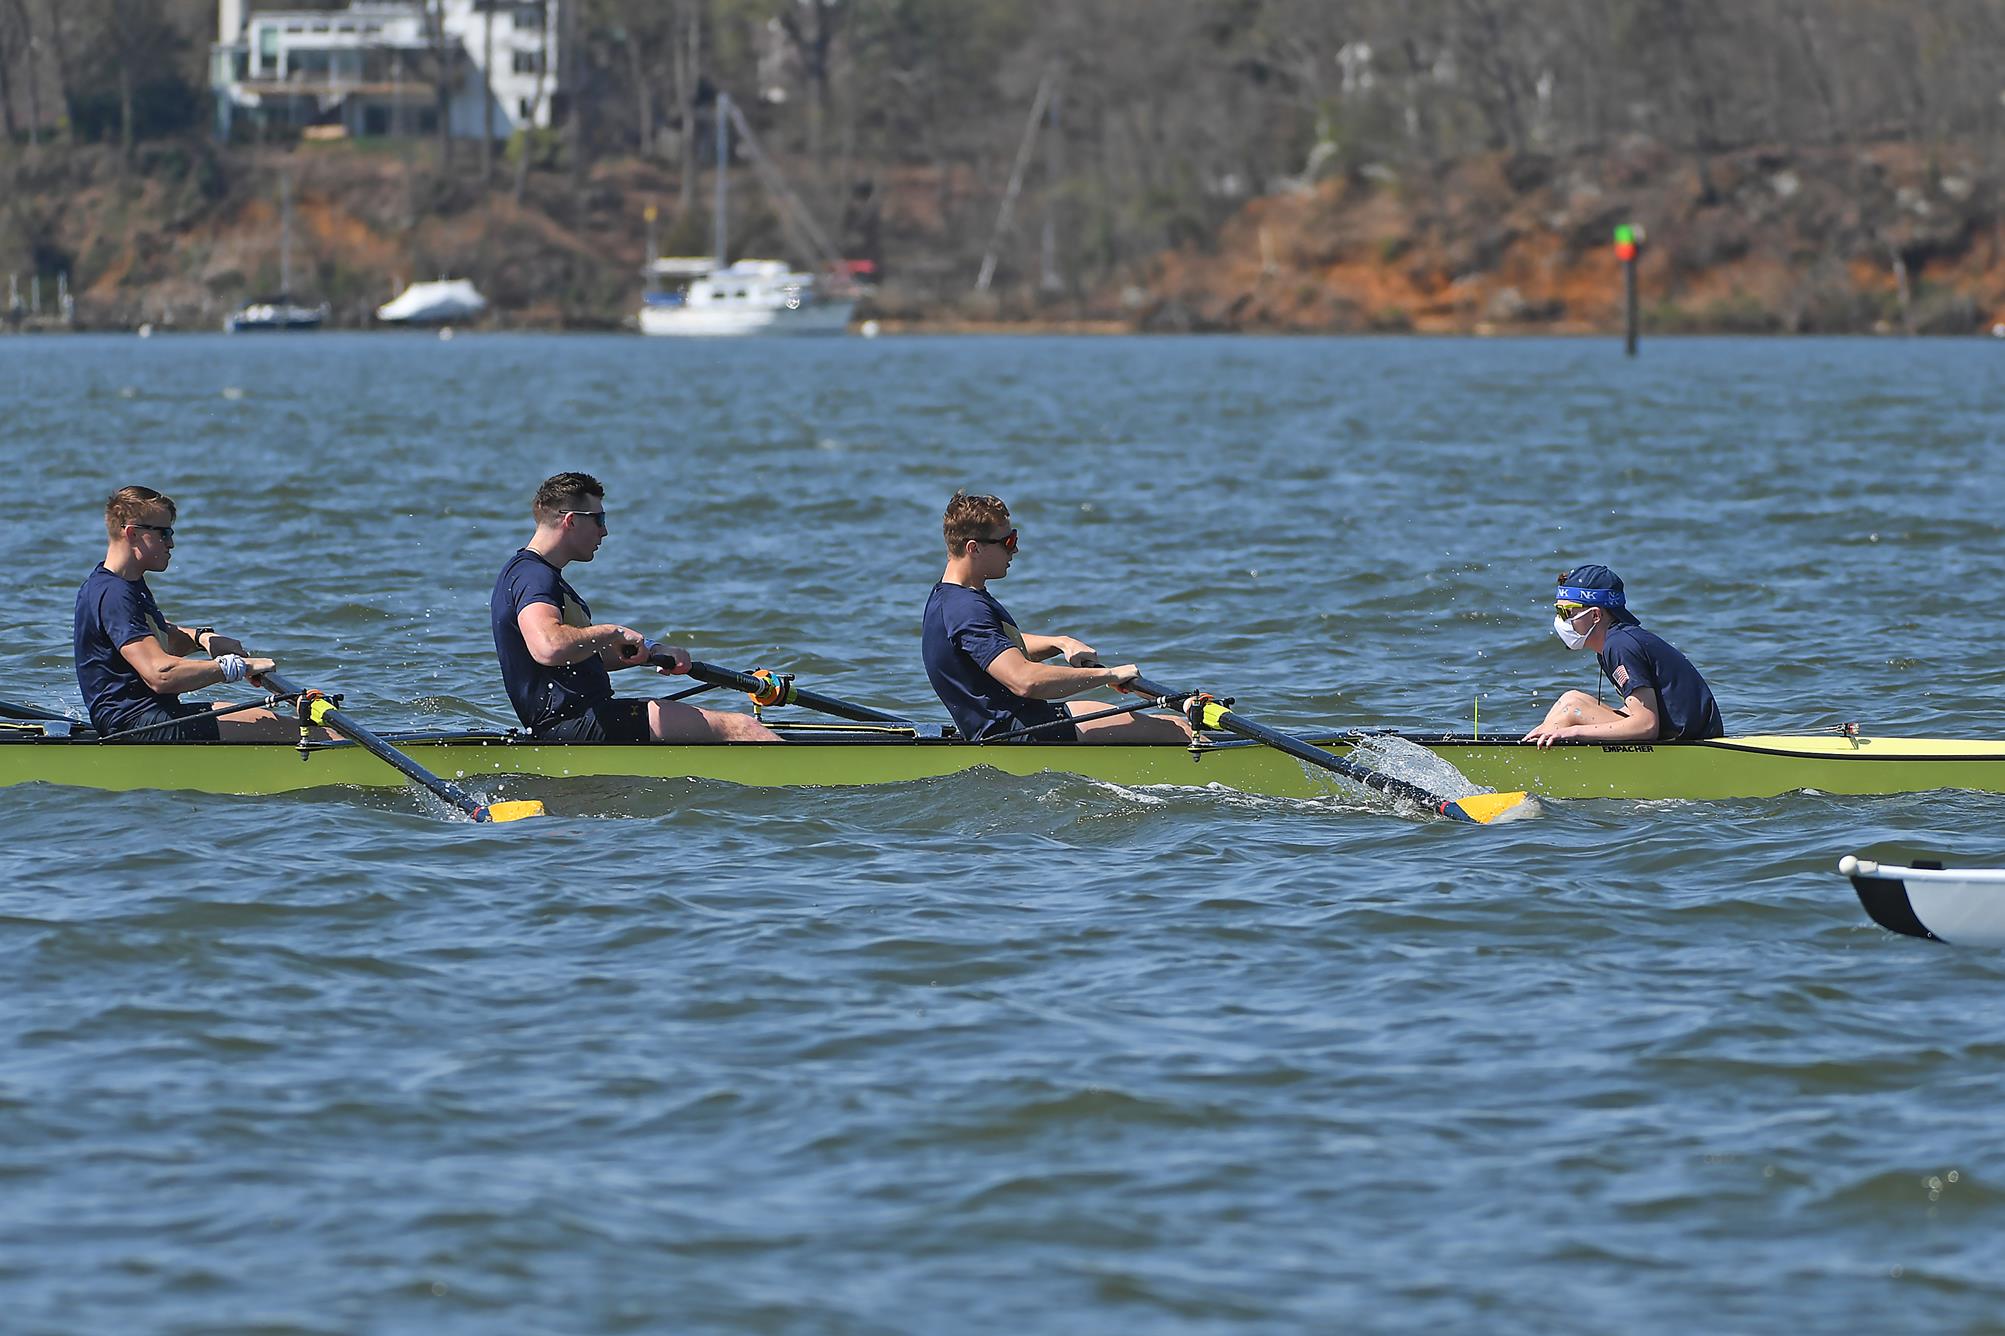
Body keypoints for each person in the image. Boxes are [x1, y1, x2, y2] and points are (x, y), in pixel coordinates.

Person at [491, 472, 778, 743]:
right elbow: (549, 647)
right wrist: (612, 632)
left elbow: (578, 655)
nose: (605, 531)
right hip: (577, 723)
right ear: (571, 521)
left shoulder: (534, 575)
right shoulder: (533, 576)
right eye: (599, 519)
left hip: (581, 721)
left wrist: (651, 652)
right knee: (742, 727)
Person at [922, 491, 1192, 744]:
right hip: (1022, 732)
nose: (1014, 550)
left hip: (1018, 725)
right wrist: (1109, 675)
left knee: (1173, 723)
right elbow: (1024, 680)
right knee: (1181, 730)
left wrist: (1060, 643)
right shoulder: (967, 609)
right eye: (1008, 542)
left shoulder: (948, 597)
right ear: (974, 548)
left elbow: (993, 644)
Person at [73, 485, 299, 741]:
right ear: (133, 534)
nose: (171, 543)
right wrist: (237, 666)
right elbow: (161, 674)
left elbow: (159, 637)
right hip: (136, 725)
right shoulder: (114, 594)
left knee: (261, 717)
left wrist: (203, 639)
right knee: (290, 729)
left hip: (152, 716)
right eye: (164, 533)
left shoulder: (124, 584)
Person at [1524, 563, 1724, 748]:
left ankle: (1536, 762)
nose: (1560, 620)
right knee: (1572, 700)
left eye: (1566, 612)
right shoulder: (1612, 645)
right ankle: (1536, 743)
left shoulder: (1620, 646)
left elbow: (1646, 725)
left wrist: (1574, 732)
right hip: (1680, 735)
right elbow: (1638, 711)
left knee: (1572, 705)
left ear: (1595, 615)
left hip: (1691, 743)